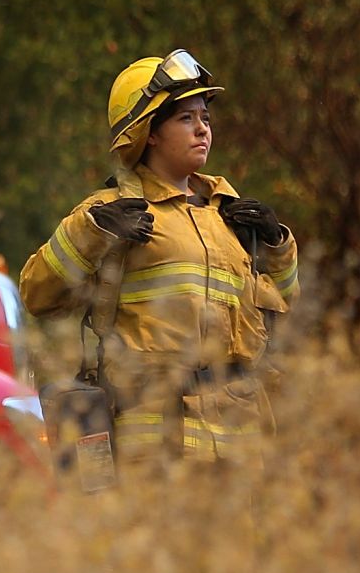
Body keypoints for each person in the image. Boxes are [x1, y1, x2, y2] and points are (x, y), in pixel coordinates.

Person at [19, 50, 299, 465]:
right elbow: (37, 294)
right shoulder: (113, 211)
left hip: (240, 446)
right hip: (154, 449)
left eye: (206, 118)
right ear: (149, 132)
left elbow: (287, 304)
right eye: (186, 118)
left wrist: (276, 245)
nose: (202, 129)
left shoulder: (229, 216)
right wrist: (91, 232)